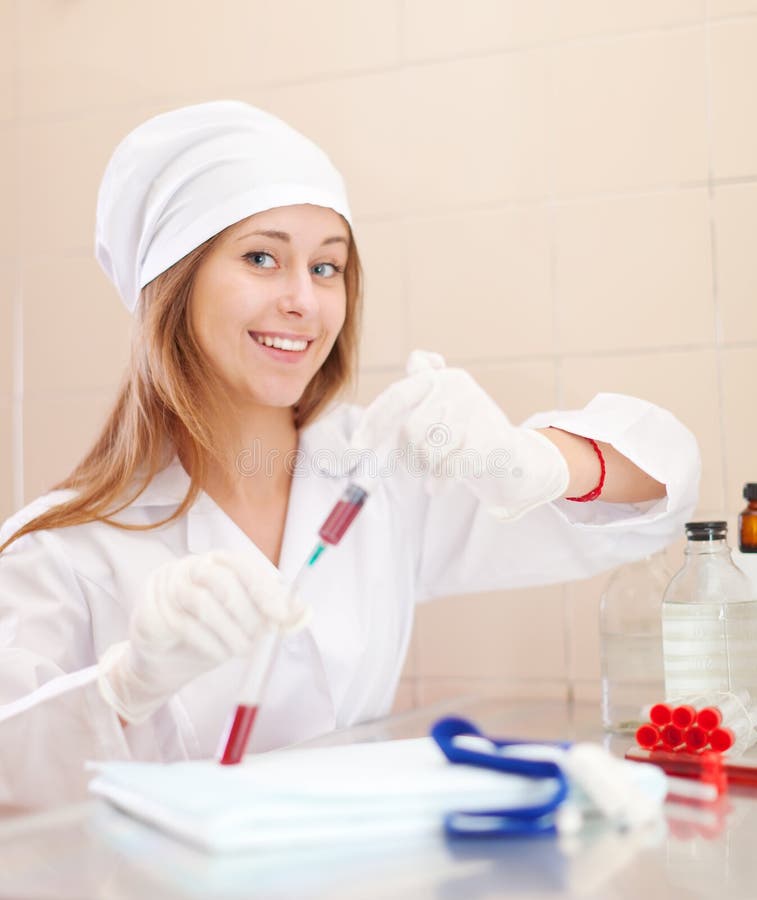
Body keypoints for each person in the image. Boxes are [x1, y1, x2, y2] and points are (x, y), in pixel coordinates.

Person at [0, 101, 699, 808]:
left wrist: (529, 461)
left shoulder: (378, 474)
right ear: (173, 287)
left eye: (327, 266)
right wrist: (125, 686)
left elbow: (659, 492)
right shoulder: (61, 548)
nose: (303, 300)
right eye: (261, 257)